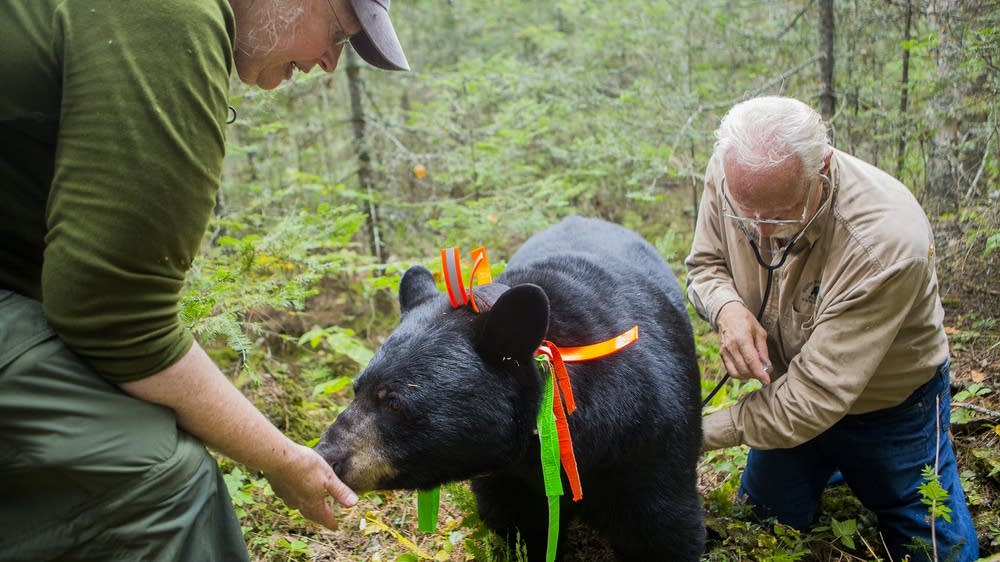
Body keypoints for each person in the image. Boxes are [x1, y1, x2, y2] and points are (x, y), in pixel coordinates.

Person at [1, 0, 408, 559]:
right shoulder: (172, 15)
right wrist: (281, 457)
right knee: (162, 484)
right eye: (337, 32)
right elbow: (118, 316)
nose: (328, 63)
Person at [685, 96, 979, 561]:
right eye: (746, 215)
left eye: (778, 215)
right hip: (785, 395)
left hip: (892, 409)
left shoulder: (885, 242)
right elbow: (705, 265)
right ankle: (837, 468)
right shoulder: (733, 174)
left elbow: (813, 399)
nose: (760, 234)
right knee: (761, 526)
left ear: (820, 169)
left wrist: (691, 432)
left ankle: (866, 469)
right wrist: (728, 310)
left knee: (939, 550)